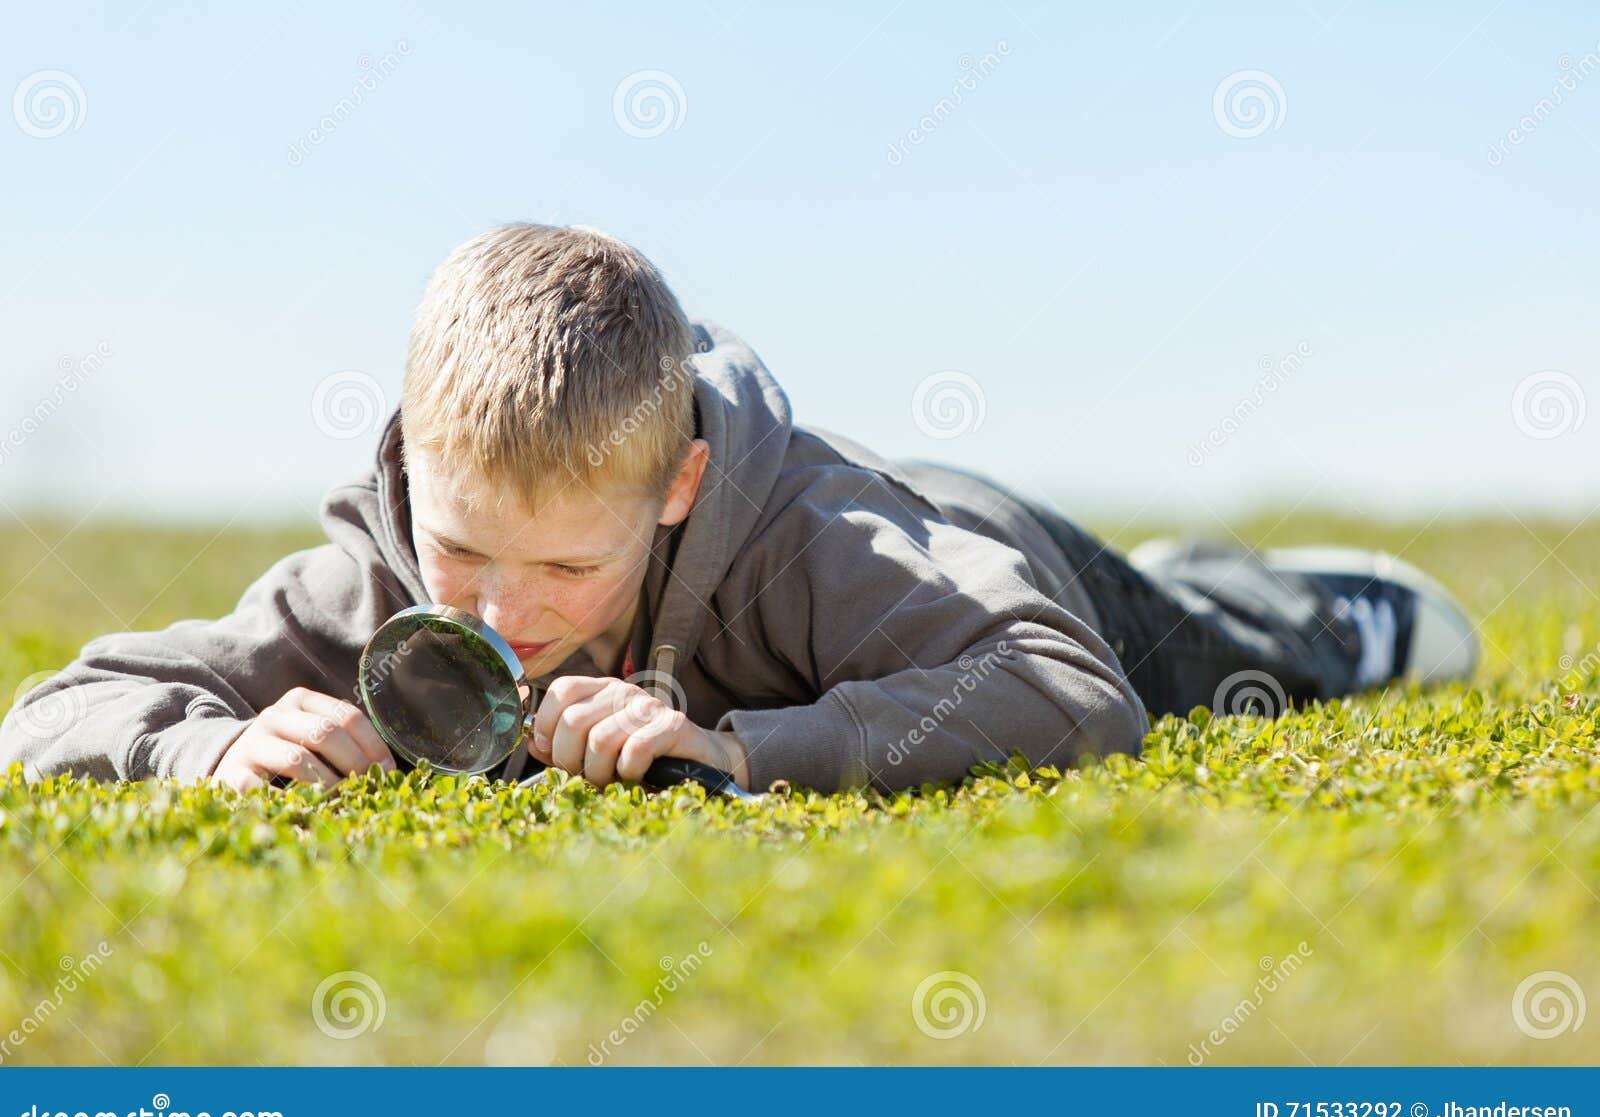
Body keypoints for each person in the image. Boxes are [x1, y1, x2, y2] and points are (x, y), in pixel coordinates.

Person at [0, 225, 1478, 795]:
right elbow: (52, 709)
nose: (499, 616)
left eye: (565, 563)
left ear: (675, 487)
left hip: (981, 547)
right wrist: (201, 750)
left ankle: (1298, 600)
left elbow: (1065, 691)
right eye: (461, 549)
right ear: (407, 471)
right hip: (921, 564)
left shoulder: (816, 548)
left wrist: (734, 746)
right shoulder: (389, 569)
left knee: (1221, 652)